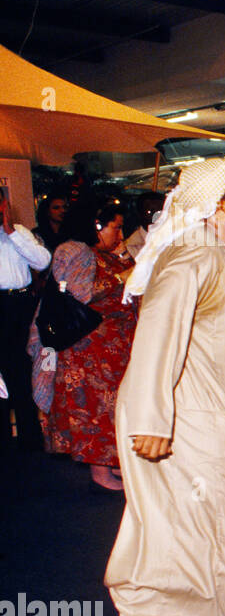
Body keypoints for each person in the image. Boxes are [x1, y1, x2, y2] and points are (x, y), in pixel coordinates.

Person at [104, 158, 225, 616]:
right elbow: (156, 334)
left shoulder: (217, 253)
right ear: (217, 207)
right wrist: (153, 421)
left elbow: (221, 312)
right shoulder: (190, 257)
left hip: (215, 408)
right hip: (183, 411)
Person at [27, 202, 138, 491]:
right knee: (95, 410)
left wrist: (121, 255)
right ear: (97, 225)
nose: (120, 233)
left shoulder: (100, 252)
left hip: (109, 350)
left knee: (112, 408)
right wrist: (118, 279)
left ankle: (113, 463)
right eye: (116, 226)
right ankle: (100, 473)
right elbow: (78, 295)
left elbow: (133, 272)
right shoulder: (75, 250)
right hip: (89, 350)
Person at [0, 188, 50, 452]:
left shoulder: (19, 232)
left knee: (21, 369)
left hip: (18, 304)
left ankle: (31, 438)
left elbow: (43, 261)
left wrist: (10, 231)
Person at [121, 192, 164, 261]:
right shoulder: (131, 247)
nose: (157, 217)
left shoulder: (172, 240)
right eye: (150, 212)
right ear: (140, 214)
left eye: (161, 212)